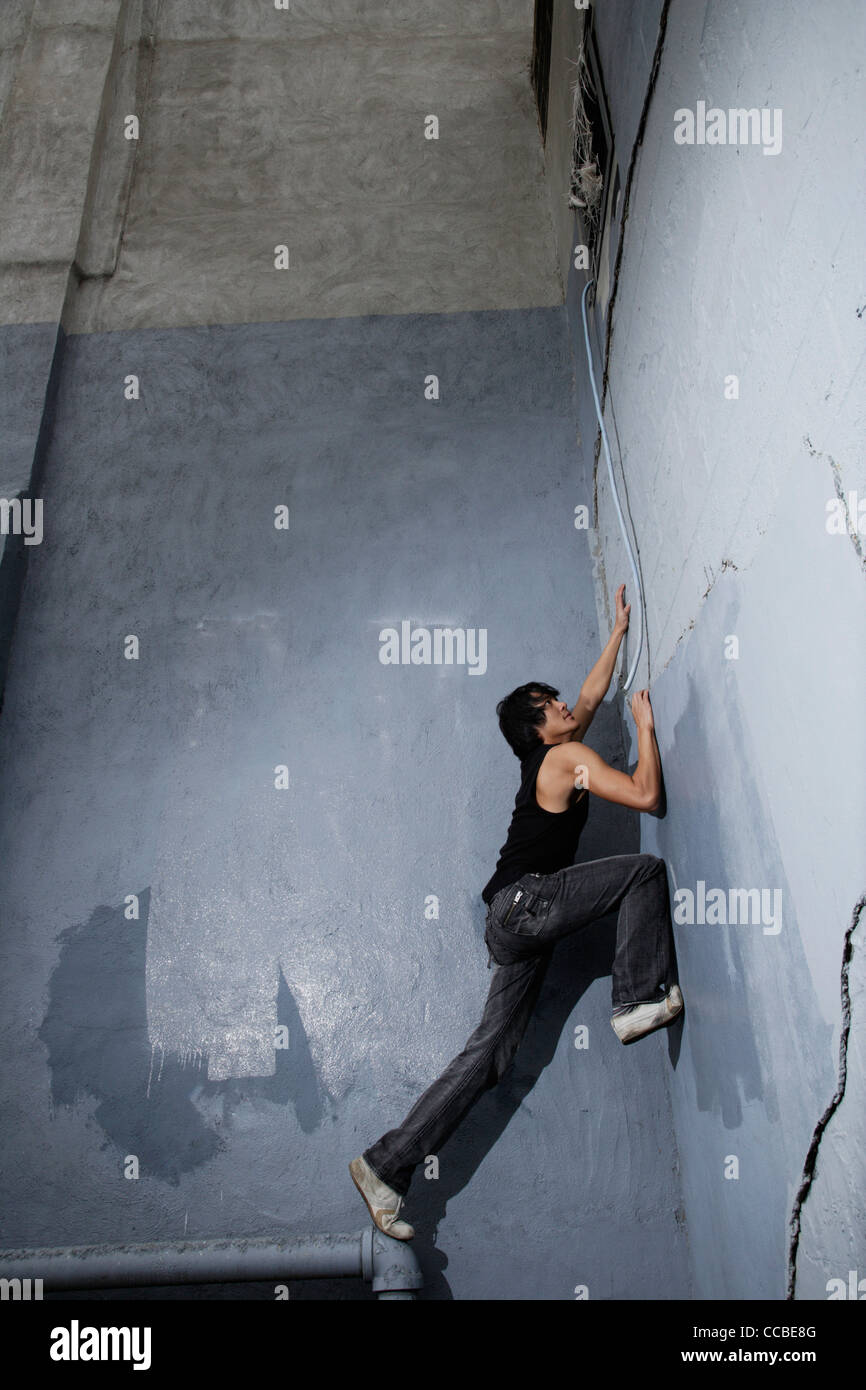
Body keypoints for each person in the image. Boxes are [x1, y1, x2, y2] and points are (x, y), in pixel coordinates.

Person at [349, 584, 682, 1240]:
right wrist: (643, 726)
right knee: (641, 873)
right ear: (537, 727)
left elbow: (588, 696)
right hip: (527, 904)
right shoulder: (564, 758)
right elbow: (645, 795)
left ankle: (385, 1165)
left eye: (555, 696)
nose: (563, 703)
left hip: (509, 921)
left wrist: (618, 633)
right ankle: (636, 999)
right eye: (547, 703)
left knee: (490, 1054)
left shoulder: (553, 757)